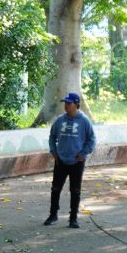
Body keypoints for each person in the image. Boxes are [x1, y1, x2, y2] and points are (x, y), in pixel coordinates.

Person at [45, 92, 96, 228]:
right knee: (55, 188)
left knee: (75, 190)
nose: (66, 105)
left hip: (77, 162)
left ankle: (73, 218)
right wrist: (54, 152)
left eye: (69, 103)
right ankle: (53, 214)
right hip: (61, 160)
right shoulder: (60, 120)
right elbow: (52, 137)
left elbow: (92, 139)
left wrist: (84, 153)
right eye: (65, 103)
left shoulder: (84, 121)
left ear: (76, 104)